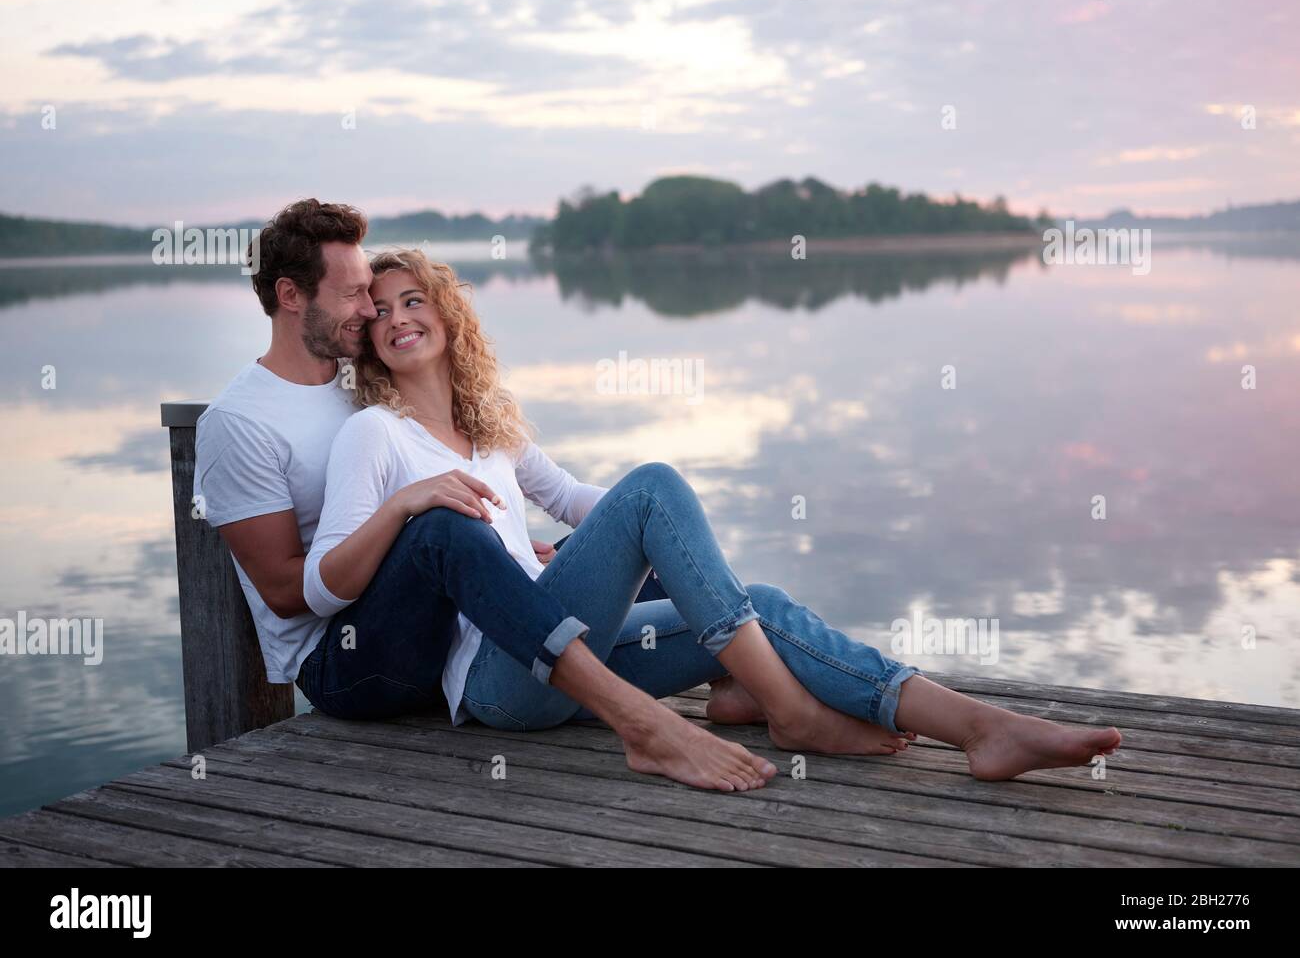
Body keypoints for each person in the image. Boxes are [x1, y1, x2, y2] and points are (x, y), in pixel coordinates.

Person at [307, 247, 1124, 783]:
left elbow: (583, 505)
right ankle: (789, 709)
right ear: (370, 339)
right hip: (500, 679)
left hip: (576, 656)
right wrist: (410, 499)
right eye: (379, 311)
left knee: (756, 601)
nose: (398, 317)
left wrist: (672, 553)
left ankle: (981, 727)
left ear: (448, 315)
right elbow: (322, 585)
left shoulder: (493, 433)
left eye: (413, 299)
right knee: (655, 486)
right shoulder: (376, 434)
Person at [195, 198, 777, 793]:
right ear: (291, 296)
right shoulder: (240, 422)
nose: (370, 309)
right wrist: (434, 525)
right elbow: (289, 594)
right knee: (444, 529)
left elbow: (524, 487)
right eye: (353, 296)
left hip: (449, 627)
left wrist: (511, 553)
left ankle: (741, 678)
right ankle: (640, 720)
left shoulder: (357, 382)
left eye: (371, 292)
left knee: (625, 551)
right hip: (349, 662)